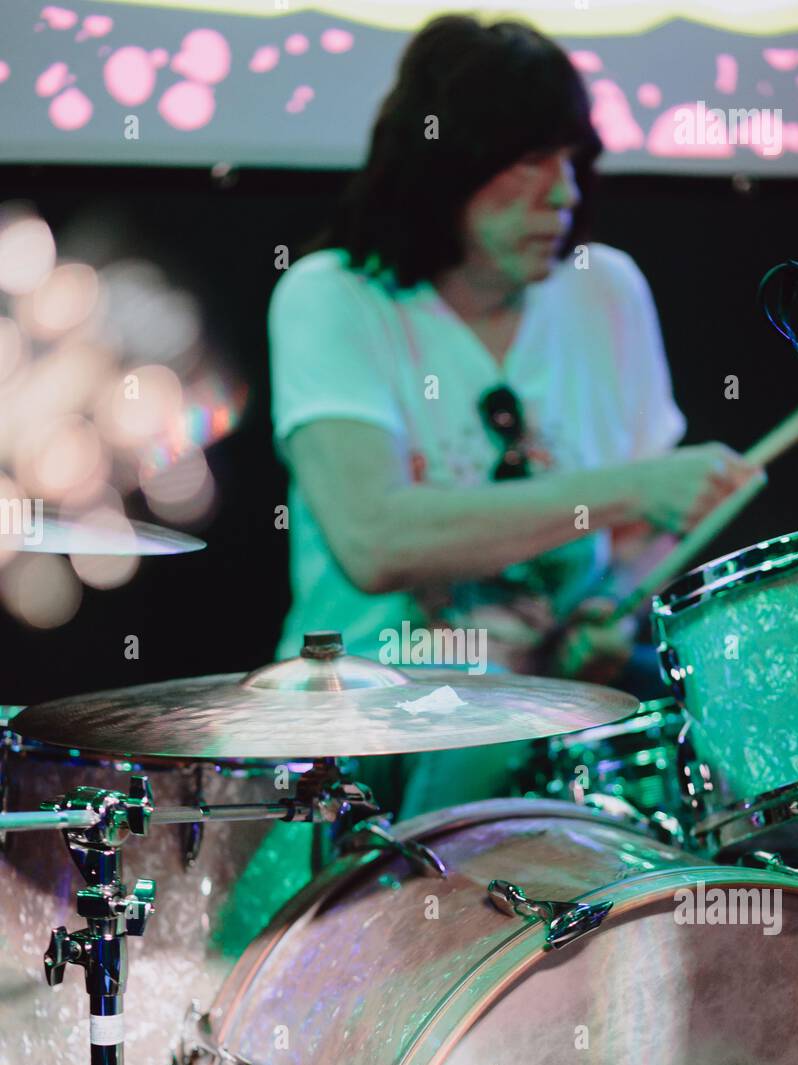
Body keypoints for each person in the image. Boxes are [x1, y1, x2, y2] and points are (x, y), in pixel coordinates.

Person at [268, 14, 757, 816]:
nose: (562, 194)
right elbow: (378, 541)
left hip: (567, 713)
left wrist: (612, 603)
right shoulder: (333, 295)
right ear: (446, 164)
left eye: (571, 162)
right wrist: (634, 488)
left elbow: (650, 536)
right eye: (531, 161)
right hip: (372, 713)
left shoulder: (607, 289)